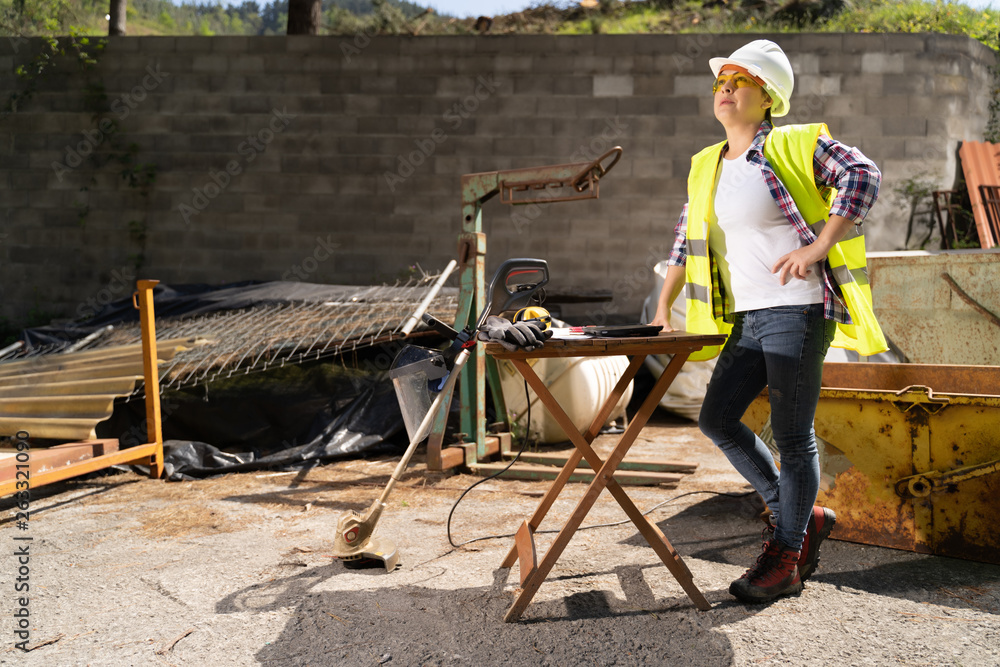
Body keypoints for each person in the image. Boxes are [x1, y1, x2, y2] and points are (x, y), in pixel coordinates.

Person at [650, 40, 887, 603]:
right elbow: (687, 242)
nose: (724, 90)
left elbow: (862, 173)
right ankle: (800, 516)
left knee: (790, 434)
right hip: (748, 319)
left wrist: (818, 247)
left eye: (738, 82)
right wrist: (662, 310)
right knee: (718, 419)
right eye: (720, 84)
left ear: (767, 96)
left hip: (798, 309)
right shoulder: (707, 165)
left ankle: (785, 555)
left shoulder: (794, 144)